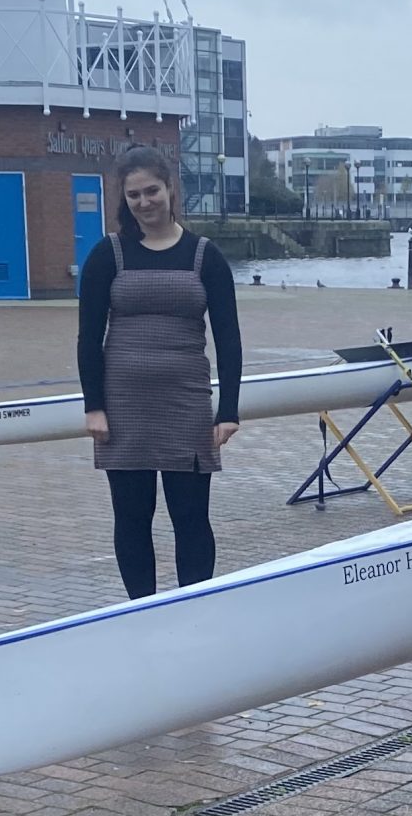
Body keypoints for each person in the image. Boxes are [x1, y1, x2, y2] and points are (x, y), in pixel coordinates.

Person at [78, 146, 243, 600]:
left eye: (152, 190)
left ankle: (192, 606)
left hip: (186, 404)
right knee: (132, 518)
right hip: (123, 407)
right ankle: (142, 610)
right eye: (133, 195)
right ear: (123, 199)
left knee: (191, 517)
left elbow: (228, 337)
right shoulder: (106, 255)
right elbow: (88, 338)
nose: (144, 202)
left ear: (170, 189)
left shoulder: (204, 256)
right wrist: (94, 407)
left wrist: (227, 409)